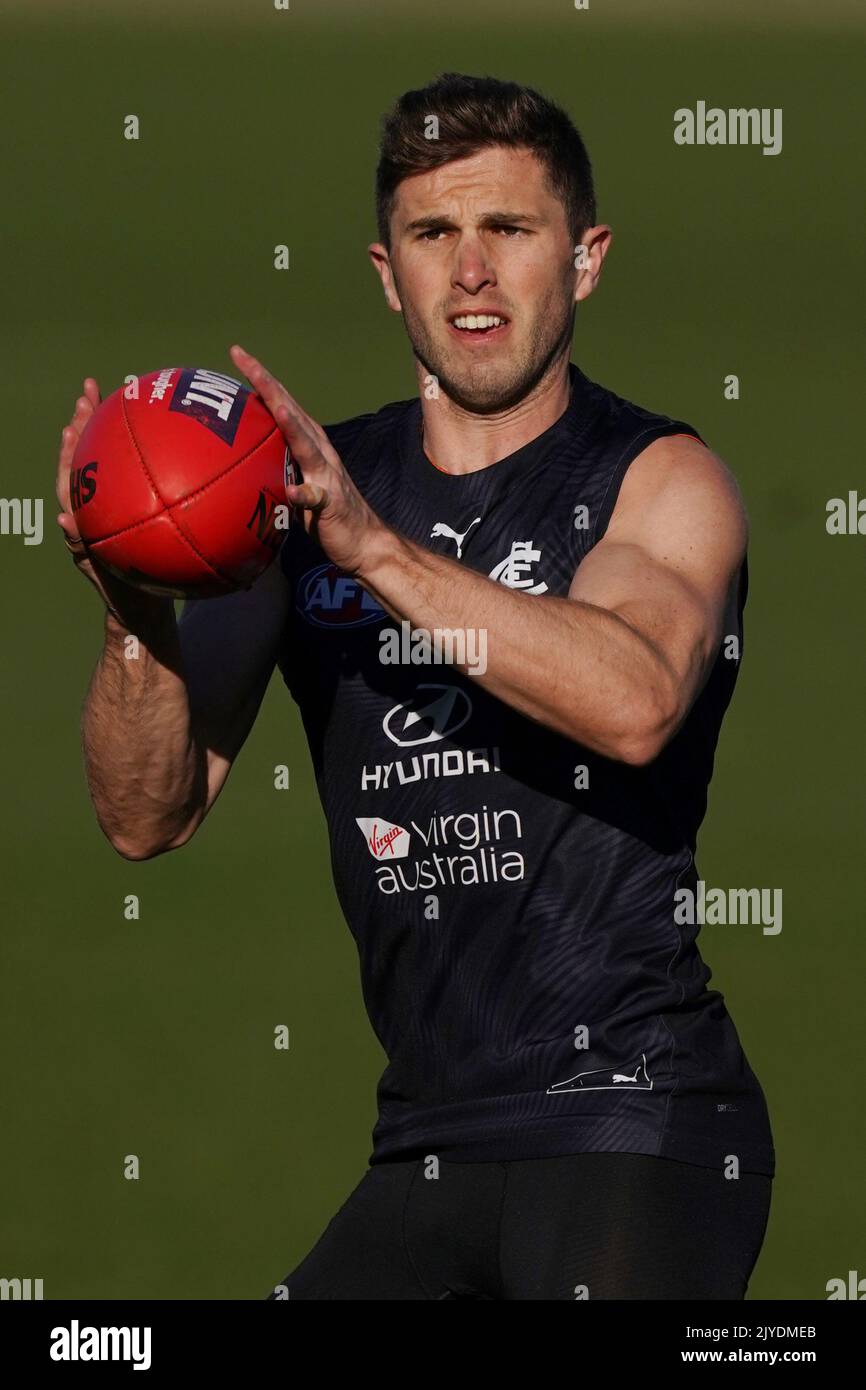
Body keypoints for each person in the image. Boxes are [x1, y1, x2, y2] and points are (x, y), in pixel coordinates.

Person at [57, 73, 774, 1300]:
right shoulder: (298, 502)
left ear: (584, 258)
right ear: (389, 273)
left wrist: (378, 554)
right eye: (434, 235)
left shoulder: (657, 477)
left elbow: (637, 699)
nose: (472, 272)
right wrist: (137, 614)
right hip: (427, 1143)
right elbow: (143, 814)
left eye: (510, 229)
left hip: (631, 1120)